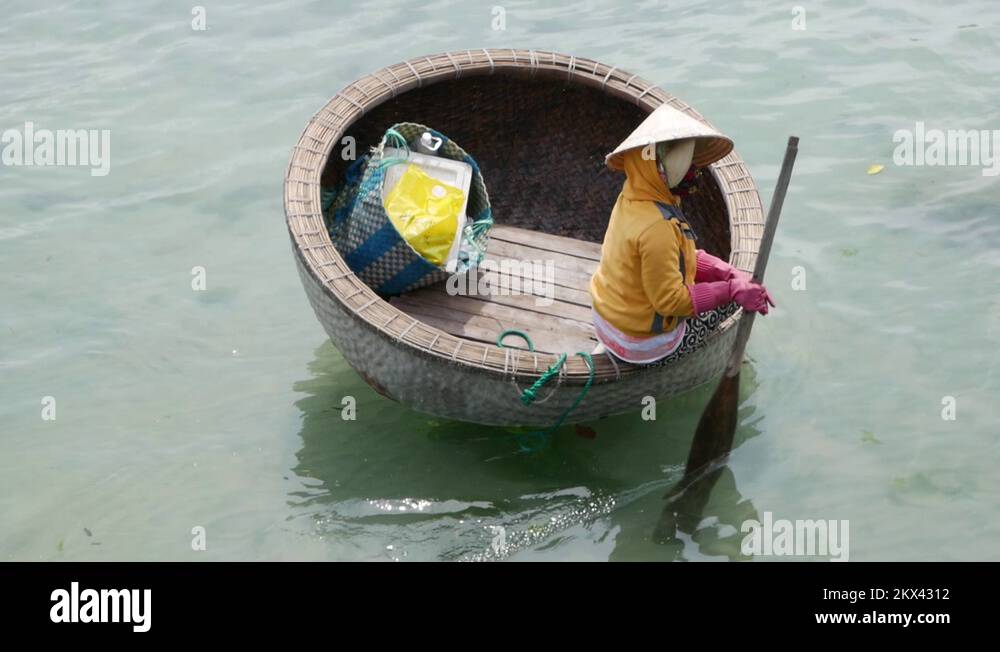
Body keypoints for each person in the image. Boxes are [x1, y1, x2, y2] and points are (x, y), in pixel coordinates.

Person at [589, 105, 774, 364]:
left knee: (728, 287)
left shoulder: (632, 196)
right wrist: (733, 290)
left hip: (605, 318)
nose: (694, 170)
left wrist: (727, 273)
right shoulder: (658, 228)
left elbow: (676, 258)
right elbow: (670, 302)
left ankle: (616, 340)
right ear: (659, 169)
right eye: (686, 163)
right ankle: (691, 362)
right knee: (733, 301)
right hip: (638, 343)